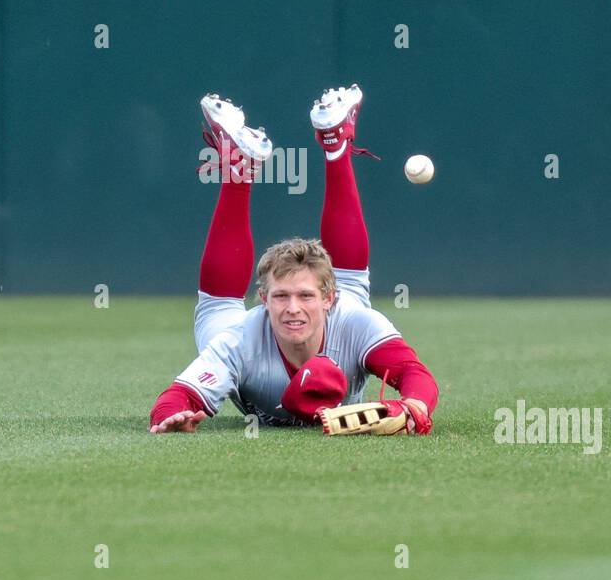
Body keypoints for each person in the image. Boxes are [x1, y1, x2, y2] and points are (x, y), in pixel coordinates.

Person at [148, 85, 439, 434]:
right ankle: (310, 154)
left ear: (329, 300)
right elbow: (176, 396)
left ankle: (325, 147)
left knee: (349, 281)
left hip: (342, 312)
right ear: (264, 299)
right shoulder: (239, 339)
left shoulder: (356, 323)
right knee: (220, 308)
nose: (293, 308)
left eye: (305, 296)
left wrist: (413, 407)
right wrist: (171, 416)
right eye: (281, 296)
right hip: (252, 333)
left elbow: (414, 374)